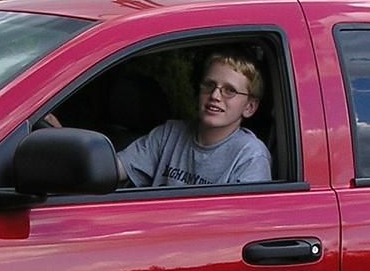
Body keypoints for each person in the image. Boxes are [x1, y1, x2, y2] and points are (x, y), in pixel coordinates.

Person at [116, 52, 272, 187]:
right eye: (209, 85)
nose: (215, 96)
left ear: (249, 107)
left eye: (229, 91)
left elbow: (245, 218)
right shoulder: (170, 134)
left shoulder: (250, 156)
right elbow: (115, 168)